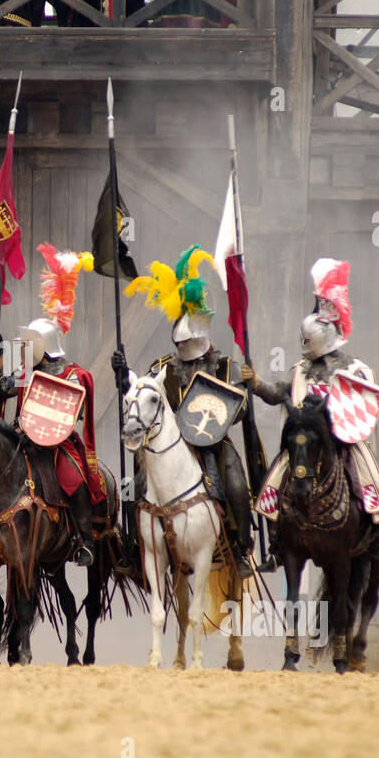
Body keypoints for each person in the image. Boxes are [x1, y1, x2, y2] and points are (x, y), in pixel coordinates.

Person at [242, 258, 379, 566]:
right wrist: (256, 382)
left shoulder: (356, 370)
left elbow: (364, 409)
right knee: (273, 482)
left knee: (371, 477)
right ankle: (276, 545)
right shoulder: (299, 370)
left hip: (345, 443)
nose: (305, 348)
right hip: (305, 444)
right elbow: (276, 393)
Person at [111, 245, 256, 577]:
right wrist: (122, 376)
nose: (185, 355)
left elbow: (240, 408)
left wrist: (242, 396)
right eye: (181, 350)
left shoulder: (224, 366)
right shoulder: (162, 367)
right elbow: (142, 394)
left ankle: (241, 546)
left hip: (213, 444)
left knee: (233, 478)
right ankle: (135, 551)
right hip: (168, 443)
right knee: (132, 485)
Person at [0, 243, 103, 568]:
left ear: (46, 346)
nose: (26, 350)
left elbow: (73, 414)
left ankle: (84, 541)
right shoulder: (27, 373)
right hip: (22, 439)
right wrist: (0, 383)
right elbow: (3, 390)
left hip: (58, 445)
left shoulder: (73, 375)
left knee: (73, 479)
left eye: (31, 344)